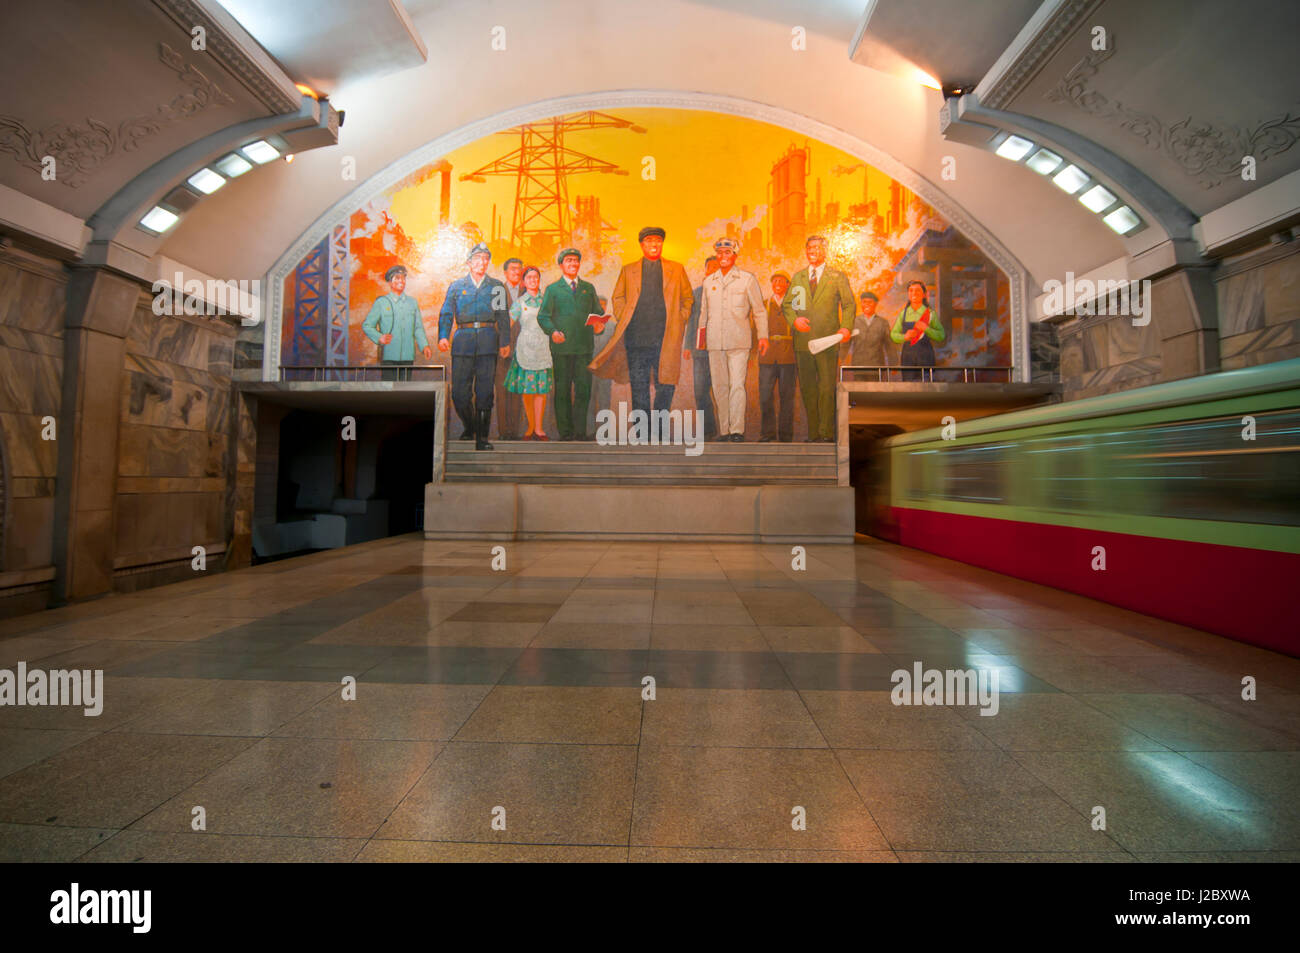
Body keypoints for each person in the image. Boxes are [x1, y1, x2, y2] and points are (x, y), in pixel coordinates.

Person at [591, 226, 693, 418]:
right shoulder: (629, 270)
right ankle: (642, 431)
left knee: (666, 385)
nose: (653, 244)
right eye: (649, 241)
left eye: (657, 240)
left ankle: (660, 428)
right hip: (636, 339)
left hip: (666, 338)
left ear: (662, 243)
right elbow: (618, 297)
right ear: (641, 244)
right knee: (639, 386)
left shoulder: (676, 269)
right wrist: (625, 317)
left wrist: (680, 318)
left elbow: (688, 299)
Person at [437, 243, 510, 450]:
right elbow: (446, 313)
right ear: (469, 263)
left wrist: (504, 341)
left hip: (488, 342)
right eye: (478, 258)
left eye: (486, 258)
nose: (482, 262)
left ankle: (482, 439)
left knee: (485, 392)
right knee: (459, 394)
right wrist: (443, 335)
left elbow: (503, 316)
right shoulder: (457, 286)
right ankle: (470, 427)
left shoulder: (496, 287)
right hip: (462, 343)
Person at [783, 235, 854, 442]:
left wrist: (846, 327)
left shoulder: (837, 277)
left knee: (826, 388)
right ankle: (813, 433)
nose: (812, 250)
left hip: (827, 342)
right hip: (803, 344)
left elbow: (849, 305)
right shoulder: (798, 278)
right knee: (808, 389)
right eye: (809, 247)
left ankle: (826, 433)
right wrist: (795, 321)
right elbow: (789, 305)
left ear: (825, 250)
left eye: (816, 247)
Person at [699, 238, 767, 441]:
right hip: (714, 342)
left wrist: (763, 336)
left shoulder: (747, 279)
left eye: (727, 252)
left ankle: (737, 430)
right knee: (720, 386)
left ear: (735, 255)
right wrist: (700, 340)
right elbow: (704, 313)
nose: (722, 257)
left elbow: (759, 311)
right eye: (719, 253)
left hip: (739, 341)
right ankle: (725, 430)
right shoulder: (708, 282)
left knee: (737, 385)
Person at [538, 248, 603, 441]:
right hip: (562, 349)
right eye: (568, 261)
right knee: (563, 390)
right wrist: (553, 331)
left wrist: (599, 323)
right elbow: (543, 316)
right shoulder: (553, 289)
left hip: (584, 348)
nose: (573, 264)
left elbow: (598, 313)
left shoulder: (588, 288)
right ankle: (565, 433)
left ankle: (580, 432)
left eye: (576, 261)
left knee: (583, 390)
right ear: (561, 265)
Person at [505, 266, 552, 440]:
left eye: (535, 277)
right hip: (525, 348)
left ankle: (539, 429)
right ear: (524, 282)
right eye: (529, 278)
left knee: (541, 390)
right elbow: (509, 323)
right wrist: (502, 342)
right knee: (528, 389)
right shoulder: (520, 302)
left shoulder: (546, 300)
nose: (533, 280)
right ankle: (530, 426)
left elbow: (553, 321)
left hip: (543, 347)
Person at [362, 264, 431, 380]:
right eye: (397, 278)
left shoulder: (412, 303)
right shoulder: (382, 302)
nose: (401, 281)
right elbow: (367, 325)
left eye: (403, 278)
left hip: (407, 356)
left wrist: (424, 345)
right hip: (389, 355)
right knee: (389, 392)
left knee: (405, 391)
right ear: (390, 282)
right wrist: (379, 337)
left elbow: (418, 328)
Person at [682, 256, 720, 440]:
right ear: (705, 270)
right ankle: (708, 430)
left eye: (717, 266)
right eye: (710, 267)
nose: (713, 269)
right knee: (700, 390)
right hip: (700, 350)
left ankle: (729, 431)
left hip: (722, 350)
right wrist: (688, 345)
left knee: (723, 391)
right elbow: (691, 321)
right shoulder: (696, 293)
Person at [758, 271, 798, 442]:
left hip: (789, 357)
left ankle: (786, 435)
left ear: (788, 284)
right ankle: (768, 433)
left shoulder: (795, 306)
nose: (778, 283)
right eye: (775, 281)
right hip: (767, 357)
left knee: (787, 397)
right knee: (765, 395)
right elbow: (756, 328)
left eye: (782, 281)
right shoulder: (764, 304)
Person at [493, 257, 526, 439]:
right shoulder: (499, 291)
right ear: (505, 272)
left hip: (523, 349)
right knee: (502, 390)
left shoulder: (527, 290)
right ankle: (503, 432)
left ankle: (515, 432)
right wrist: (502, 343)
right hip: (502, 349)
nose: (516, 272)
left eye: (519, 269)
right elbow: (496, 320)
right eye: (513, 269)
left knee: (517, 391)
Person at [890, 280, 945, 381]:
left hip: (926, 358)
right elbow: (893, 335)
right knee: (908, 389)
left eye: (918, 290)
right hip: (908, 359)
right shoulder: (903, 314)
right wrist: (904, 337)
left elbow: (941, 335)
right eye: (911, 290)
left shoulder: (930, 314)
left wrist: (926, 329)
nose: (914, 293)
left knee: (927, 390)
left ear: (924, 294)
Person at [850, 291, 893, 379]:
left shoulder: (882, 323)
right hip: (858, 366)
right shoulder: (854, 322)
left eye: (870, 302)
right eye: (864, 302)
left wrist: (894, 363)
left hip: (876, 367)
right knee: (858, 392)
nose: (867, 304)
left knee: (875, 392)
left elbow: (889, 345)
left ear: (875, 304)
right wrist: (841, 360)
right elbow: (846, 344)